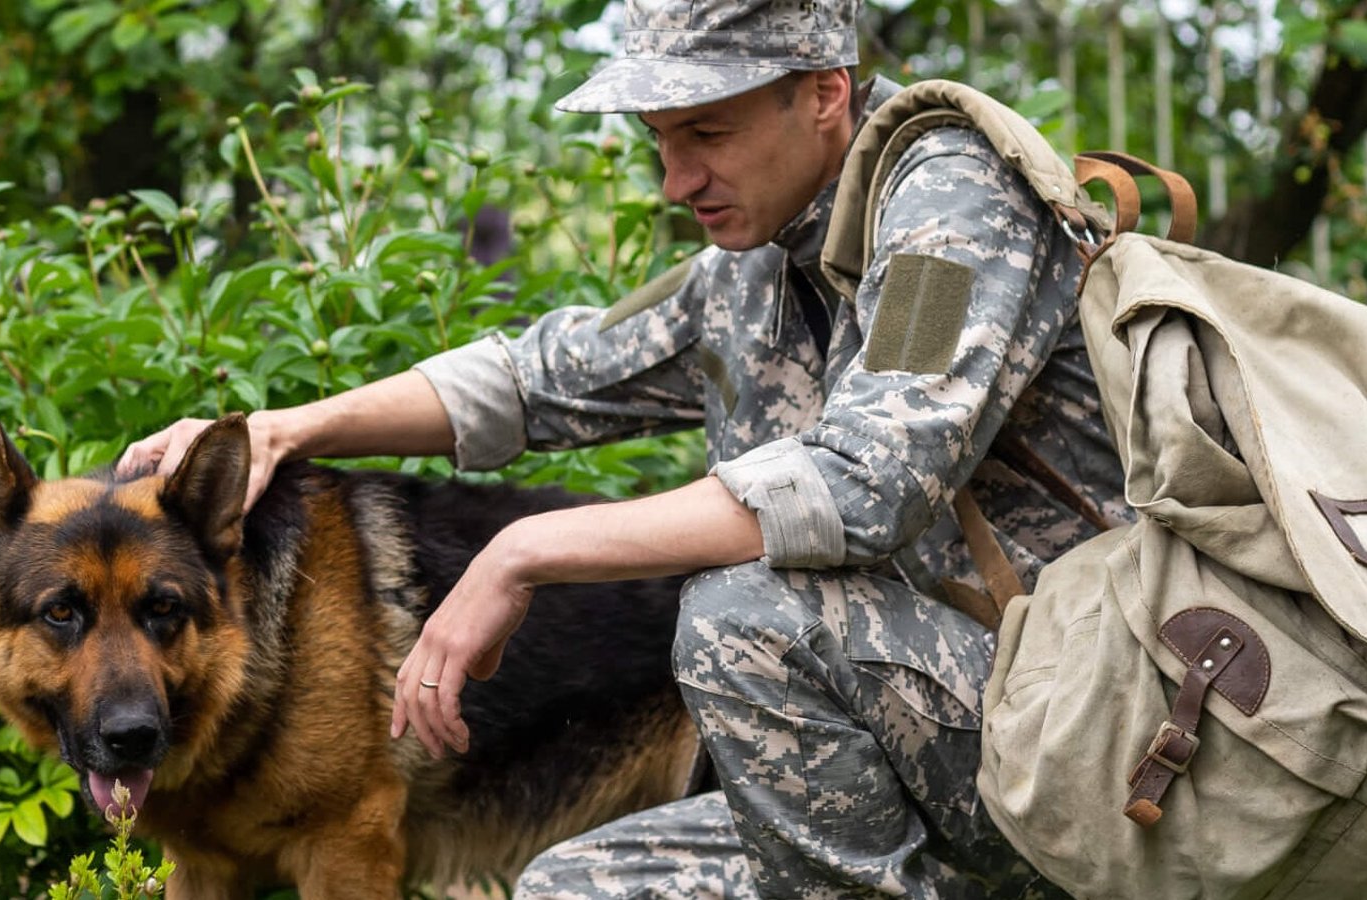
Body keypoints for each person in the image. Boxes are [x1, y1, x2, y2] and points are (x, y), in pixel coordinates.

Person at [122, 0, 1129, 895]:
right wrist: (287, 427)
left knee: (743, 614)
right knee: (579, 884)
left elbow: (871, 475)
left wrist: (522, 551)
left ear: (824, 93)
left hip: (1075, 734)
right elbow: (539, 374)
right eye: (657, 138)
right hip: (906, 743)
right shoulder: (759, 260)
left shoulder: (947, 206)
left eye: (706, 132)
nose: (673, 179)